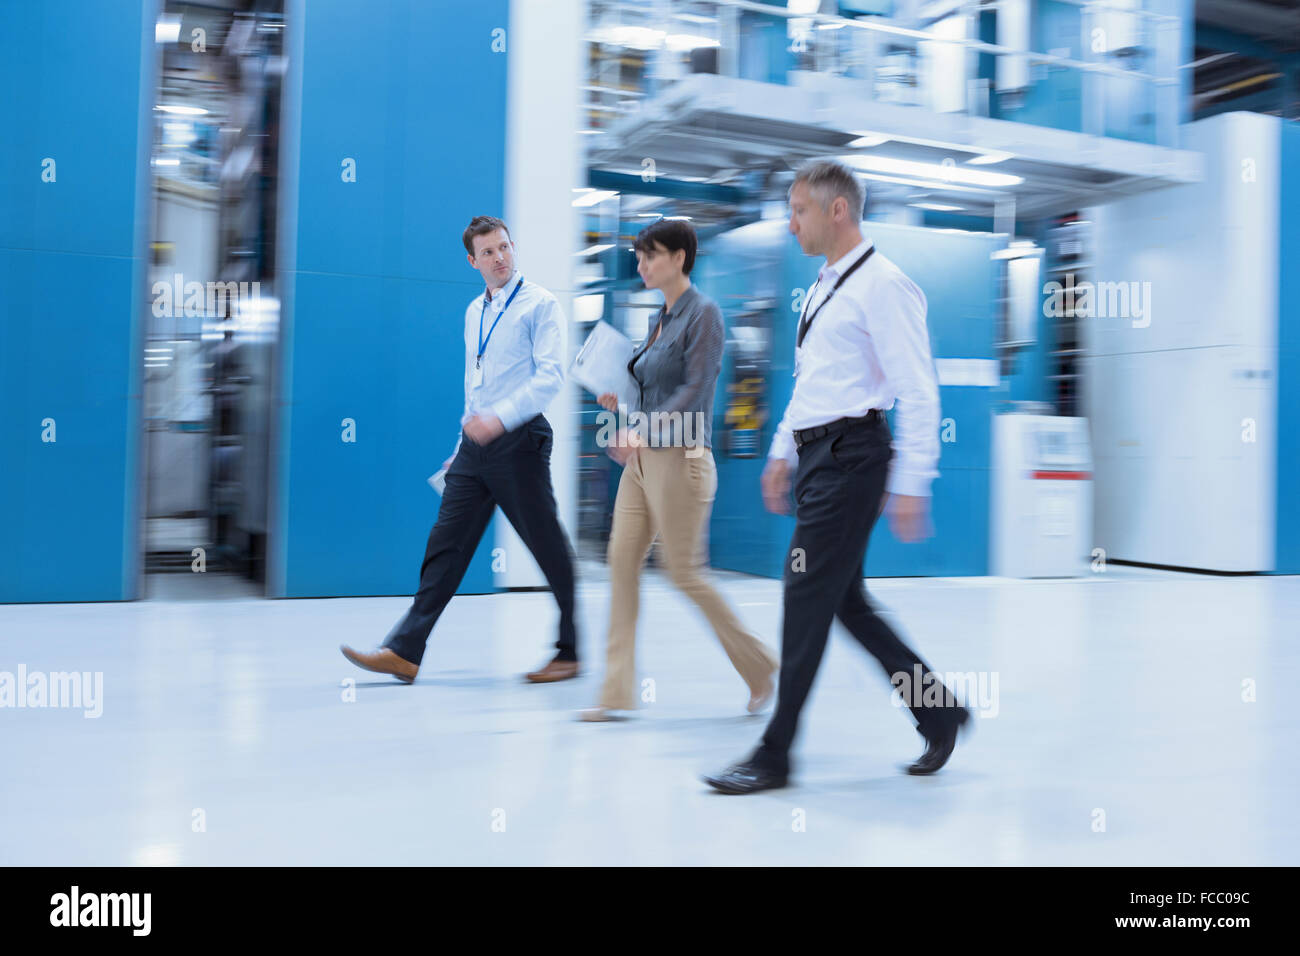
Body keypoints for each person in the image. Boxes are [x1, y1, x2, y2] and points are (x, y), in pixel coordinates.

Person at [703, 160, 969, 794]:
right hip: (820, 456)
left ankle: (775, 753)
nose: (790, 221)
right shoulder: (826, 284)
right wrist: (780, 452)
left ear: (837, 211)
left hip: (854, 460)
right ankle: (938, 707)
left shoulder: (884, 285)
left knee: (803, 597)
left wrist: (912, 481)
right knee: (846, 603)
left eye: (798, 209)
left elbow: (918, 390)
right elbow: (814, 381)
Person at [341, 216, 580, 684]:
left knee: (546, 544)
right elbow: (476, 385)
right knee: (445, 546)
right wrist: (462, 443)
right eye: (488, 252)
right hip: (476, 447)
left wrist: (500, 419)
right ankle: (405, 650)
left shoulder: (540, 305)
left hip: (521, 439)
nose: (500, 258)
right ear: (472, 261)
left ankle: (570, 652)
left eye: (505, 247)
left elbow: (550, 376)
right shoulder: (475, 311)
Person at [579, 218, 778, 721]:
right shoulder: (658, 319)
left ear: (680, 259)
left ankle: (760, 666)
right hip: (642, 462)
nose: (641, 264)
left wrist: (644, 431)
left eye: (650, 255)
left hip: (683, 458)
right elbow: (649, 391)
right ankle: (615, 692)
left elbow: (695, 389)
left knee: (683, 572)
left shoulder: (705, 315)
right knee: (622, 564)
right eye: (640, 256)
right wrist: (619, 399)